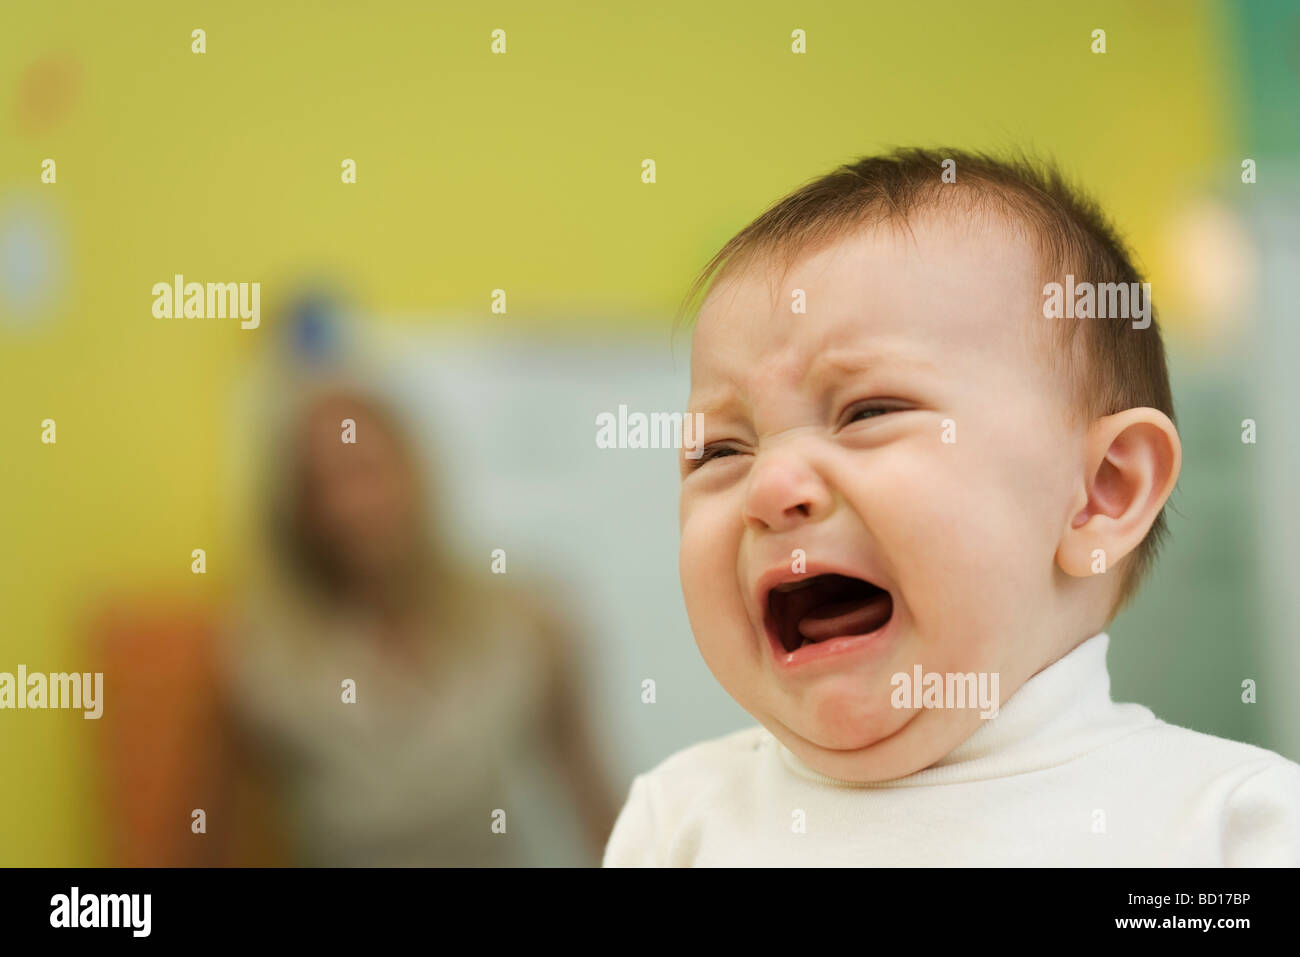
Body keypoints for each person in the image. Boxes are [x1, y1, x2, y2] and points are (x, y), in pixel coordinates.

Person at [604, 148, 1300, 866]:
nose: (771, 488)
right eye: (720, 452)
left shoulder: (1230, 827)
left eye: (868, 411)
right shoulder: (679, 822)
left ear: (1101, 493)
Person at [221, 374, 617, 865]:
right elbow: (225, 833)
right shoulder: (262, 655)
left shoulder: (528, 622)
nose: (351, 505)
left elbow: (593, 799)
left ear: (413, 470)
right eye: (321, 485)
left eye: (367, 471)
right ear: (294, 510)